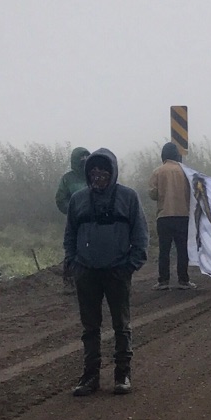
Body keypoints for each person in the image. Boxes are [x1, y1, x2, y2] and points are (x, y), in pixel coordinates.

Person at [64, 149, 147, 396]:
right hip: (86, 272)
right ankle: (90, 377)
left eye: (103, 170)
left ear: (112, 172)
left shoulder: (128, 197)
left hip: (117, 272)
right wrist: (72, 263)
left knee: (121, 325)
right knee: (90, 328)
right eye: (93, 170)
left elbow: (140, 235)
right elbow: (69, 234)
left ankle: (123, 374)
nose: (97, 174)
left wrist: (130, 265)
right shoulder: (77, 200)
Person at [148, 142, 193, 290]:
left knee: (164, 250)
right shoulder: (185, 172)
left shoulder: (158, 172)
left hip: (164, 216)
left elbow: (153, 194)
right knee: (182, 249)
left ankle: (163, 281)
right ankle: (184, 280)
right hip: (182, 215)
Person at [55, 147, 90, 291]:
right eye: (81, 159)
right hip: (75, 220)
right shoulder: (67, 179)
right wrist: (71, 211)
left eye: (86, 158)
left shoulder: (93, 174)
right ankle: (69, 281)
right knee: (71, 248)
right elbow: (60, 199)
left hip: (93, 220)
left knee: (93, 247)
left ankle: (92, 279)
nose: (84, 161)